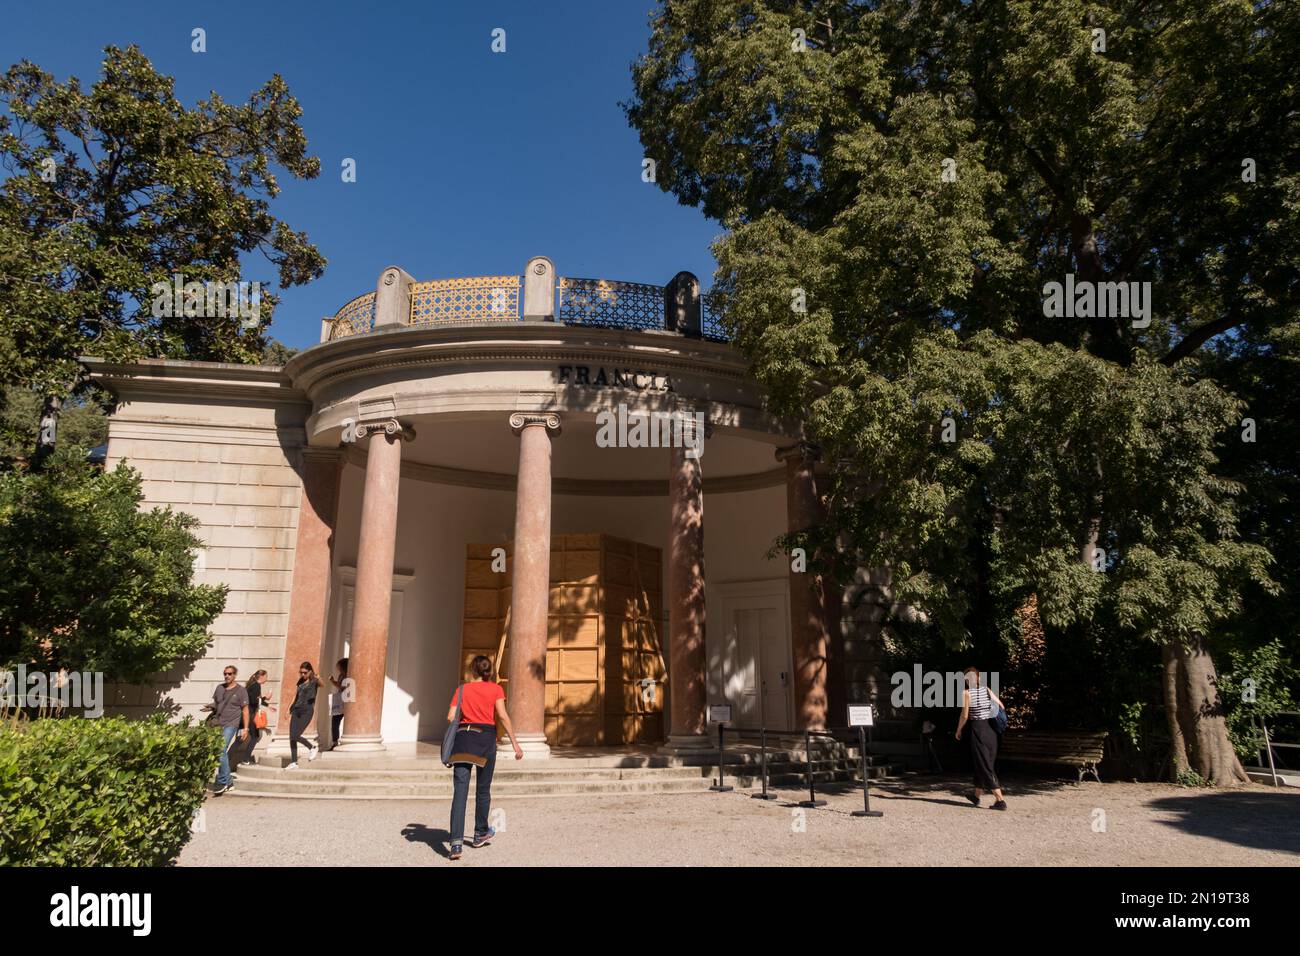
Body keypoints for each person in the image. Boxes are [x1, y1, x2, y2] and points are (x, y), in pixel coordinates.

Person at [445, 655, 523, 860]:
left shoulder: (462, 689)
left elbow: (451, 716)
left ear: (473, 670)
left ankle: (455, 844)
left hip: (463, 740)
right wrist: (515, 743)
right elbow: (503, 716)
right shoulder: (496, 689)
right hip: (485, 739)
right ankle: (480, 833)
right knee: (483, 789)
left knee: (460, 792)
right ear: (489, 672)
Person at [955, 666, 1007, 810]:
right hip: (991, 732)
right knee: (982, 762)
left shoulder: (966, 693)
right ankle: (976, 796)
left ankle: (1000, 800)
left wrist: (958, 729)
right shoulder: (987, 690)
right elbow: (1001, 706)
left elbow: (964, 715)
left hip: (979, 731)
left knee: (985, 765)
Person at [201, 665, 248, 795]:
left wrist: (245, 728)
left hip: (231, 724)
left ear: (235, 675)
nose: (227, 676)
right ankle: (229, 781)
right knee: (219, 751)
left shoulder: (241, 691)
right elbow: (218, 703)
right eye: (225, 674)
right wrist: (210, 707)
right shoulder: (219, 688)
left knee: (221, 749)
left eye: (230, 673)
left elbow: (245, 710)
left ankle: (222, 782)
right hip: (217, 723)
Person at [286, 661, 323, 769]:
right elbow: (295, 695)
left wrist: (318, 678)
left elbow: (322, 685)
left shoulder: (314, 680)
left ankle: (312, 747)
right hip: (296, 710)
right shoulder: (301, 681)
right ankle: (293, 762)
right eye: (301, 672)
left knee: (296, 735)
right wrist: (288, 709)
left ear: (310, 671)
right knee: (291, 737)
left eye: (305, 672)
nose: (303, 675)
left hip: (307, 710)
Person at [238, 669, 272, 767]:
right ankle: (245, 759)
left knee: (245, 737)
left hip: (248, 714)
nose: (267, 679)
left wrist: (268, 705)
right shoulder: (256, 686)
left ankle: (244, 758)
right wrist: (266, 697)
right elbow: (253, 701)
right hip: (251, 715)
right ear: (261, 677)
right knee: (255, 737)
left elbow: (256, 700)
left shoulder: (253, 685)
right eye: (266, 676)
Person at [327, 658, 348, 750]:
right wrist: (333, 681)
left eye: (339, 666)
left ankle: (345, 742)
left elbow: (344, 688)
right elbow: (340, 687)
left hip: (348, 701)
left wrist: (336, 683)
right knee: (335, 722)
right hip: (340, 701)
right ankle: (335, 742)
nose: (338, 668)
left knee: (344, 722)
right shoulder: (341, 676)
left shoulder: (349, 676)